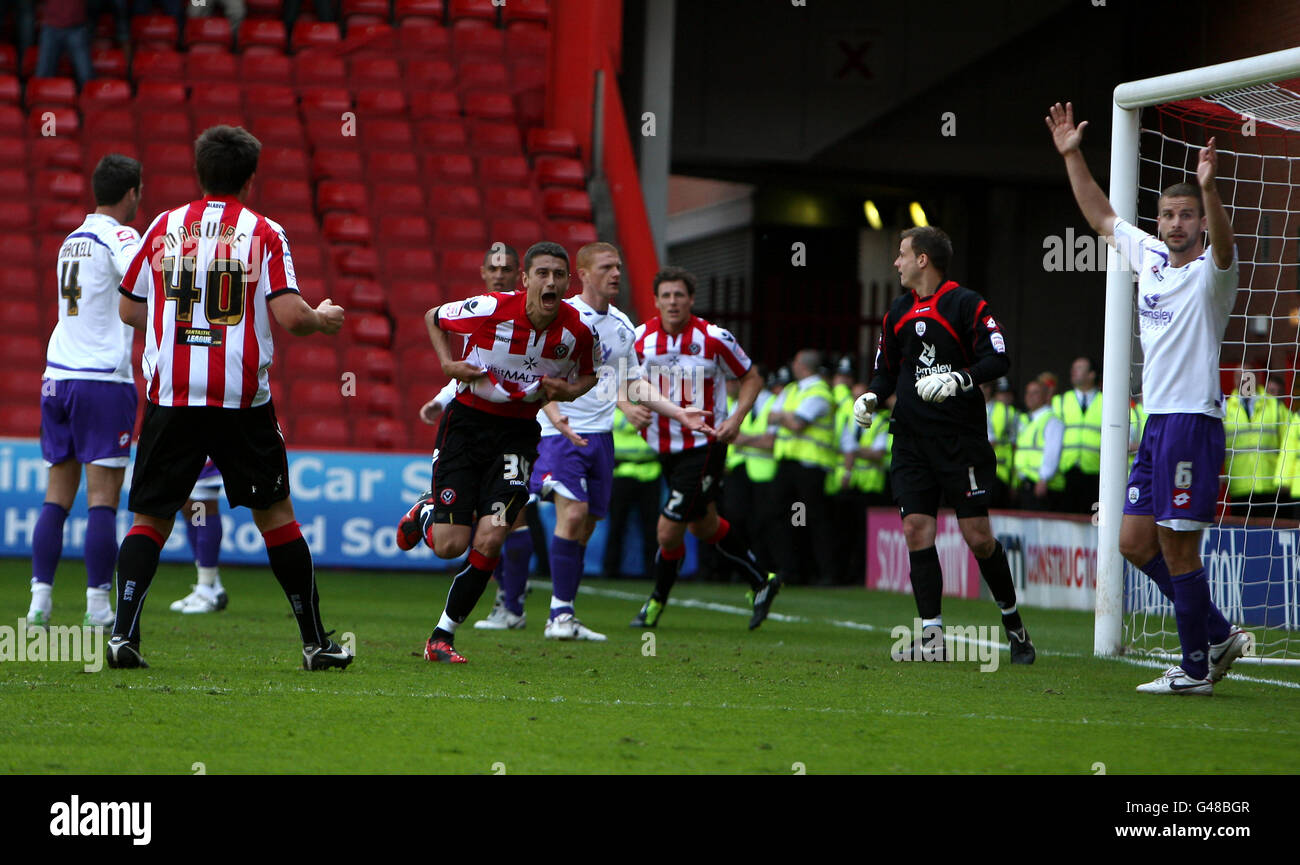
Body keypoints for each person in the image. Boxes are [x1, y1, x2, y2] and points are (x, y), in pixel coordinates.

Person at [110, 125, 351, 671]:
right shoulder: (262, 232)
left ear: (200, 173)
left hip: (171, 396)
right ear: (249, 177)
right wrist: (324, 319)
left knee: (151, 517)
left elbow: (128, 309)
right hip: (240, 402)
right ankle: (315, 643)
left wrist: (178, 322)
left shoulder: (164, 225)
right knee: (276, 517)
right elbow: (290, 315)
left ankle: (124, 635)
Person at [1047, 100, 1251, 694]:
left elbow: (1228, 247)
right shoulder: (1153, 259)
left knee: (1177, 547)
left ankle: (1195, 671)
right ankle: (1217, 634)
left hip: (1192, 422)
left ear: (1201, 223)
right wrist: (1071, 155)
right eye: (1168, 215)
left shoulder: (1213, 273)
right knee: (1134, 542)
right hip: (1156, 424)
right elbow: (1102, 217)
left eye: (1187, 215)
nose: (1176, 224)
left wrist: (1211, 189)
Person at [396, 241, 599, 663]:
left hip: (518, 435)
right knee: (451, 545)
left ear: (567, 281)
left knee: (491, 537)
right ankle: (427, 513)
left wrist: (569, 389)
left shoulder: (576, 332)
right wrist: (448, 365)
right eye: (541, 273)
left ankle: (442, 637)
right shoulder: (489, 308)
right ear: (524, 279)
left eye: (559, 275)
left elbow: (588, 376)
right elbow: (433, 317)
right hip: (466, 427)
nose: (551, 282)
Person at [854, 226, 1035, 664]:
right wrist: (872, 397)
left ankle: (1014, 627)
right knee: (916, 528)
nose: (895, 263)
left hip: (961, 441)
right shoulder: (896, 311)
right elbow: (887, 370)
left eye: (901, 255)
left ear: (922, 260)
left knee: (978, 537)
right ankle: (933, 636)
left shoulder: (966, 303)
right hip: (912, 440)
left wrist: (959, 378)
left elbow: (998, 357)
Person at [524, 243, 711, 639]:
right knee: (572, 517)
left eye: (619, 267)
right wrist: (555, 416)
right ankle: (558, 616)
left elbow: (631, 382)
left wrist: (677, 412)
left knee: (586, 527)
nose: (616, 274)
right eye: (607, 267)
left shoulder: (623, 325)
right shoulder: (562, 317)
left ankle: (565, 614)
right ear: (585, 274)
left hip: (600, 437)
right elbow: (536, 374)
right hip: (560, 433)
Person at [28, 154, 142, 629]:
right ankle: (98, 605)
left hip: (58, 376)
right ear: (131, 193)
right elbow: (144, 285)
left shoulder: (71, 241)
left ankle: (40, 601)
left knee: (57, 492)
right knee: (103, 497)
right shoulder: (121, 235)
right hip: (101, 379)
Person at [628, 266, 776, 630]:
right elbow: (625, 381)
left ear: (691, 299)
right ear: (656, 301)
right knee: (703, 525)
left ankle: (656, 603)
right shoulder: (640, 338)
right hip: (665, 447)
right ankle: (762, 580)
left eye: (680, 295)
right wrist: (630, 407)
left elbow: (752, 376)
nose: (673, 302)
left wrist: (737, 419)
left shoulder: (713, 337)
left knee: (668, 530)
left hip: (705, 444)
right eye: (666, 295)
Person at [769, 349, 839, 585]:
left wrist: (783, 416)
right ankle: (792, 569)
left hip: (810, 467)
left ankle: (823, 572)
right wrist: (785, 417)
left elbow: (797, 424)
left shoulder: (819, 392)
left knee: (812, 519)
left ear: (803, 366)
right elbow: (772, 416)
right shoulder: (792, 390)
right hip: (789, 465)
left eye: (795, 362)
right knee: (788, 518)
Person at [602, 405, 663, 579]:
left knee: (652, 527)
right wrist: (635, 416)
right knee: (617, 524)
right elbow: (623, 423)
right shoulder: (612, 405)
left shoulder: (651, 405)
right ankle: (610, 570)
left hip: (651, 470)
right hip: (622, 472)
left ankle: (653, 570)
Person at [1223, 370, 1286, 520]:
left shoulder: (1274, 406)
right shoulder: (1225, 409)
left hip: (1269, 485)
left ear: (1257, 379)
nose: (1244, 381)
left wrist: (1285, 477)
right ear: (1234, 380)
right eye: (1239, 376)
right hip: (1239, 486)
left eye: (1248, 376)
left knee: (1269, 536)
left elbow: (1288, 443)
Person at [169, 460, 228, 613]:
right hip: (185, 441)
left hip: (207, 439)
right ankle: (213, 586)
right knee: (189, 505)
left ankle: (206, 588)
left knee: (203, 503)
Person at [1053, 356, 1104, 514]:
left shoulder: (1107, 401)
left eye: (1080, 368)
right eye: (1074, 368)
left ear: (1092, 374)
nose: (1074, 371)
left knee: (1093, 521)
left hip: (1096, 472)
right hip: (1066, 472)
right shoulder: (1060, 401)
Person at [1013, 379, 1064, 511]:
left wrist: (1043, 479)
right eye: (1028, 392)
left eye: (1035, 393)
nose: (1030, 396)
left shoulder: (1051, 420)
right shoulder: (1025, 420)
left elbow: (1052, 452)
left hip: (1041, 485)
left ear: (1046, 396)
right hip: (1025, 482)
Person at [984, 378, 1017, 509]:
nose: (1005, 397)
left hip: (1000, 472)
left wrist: (1014, 482)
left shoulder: (1008, 412)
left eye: (1008, 394)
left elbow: (1014, 447)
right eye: (1001, 393)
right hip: (978, 472)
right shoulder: (971, 408)